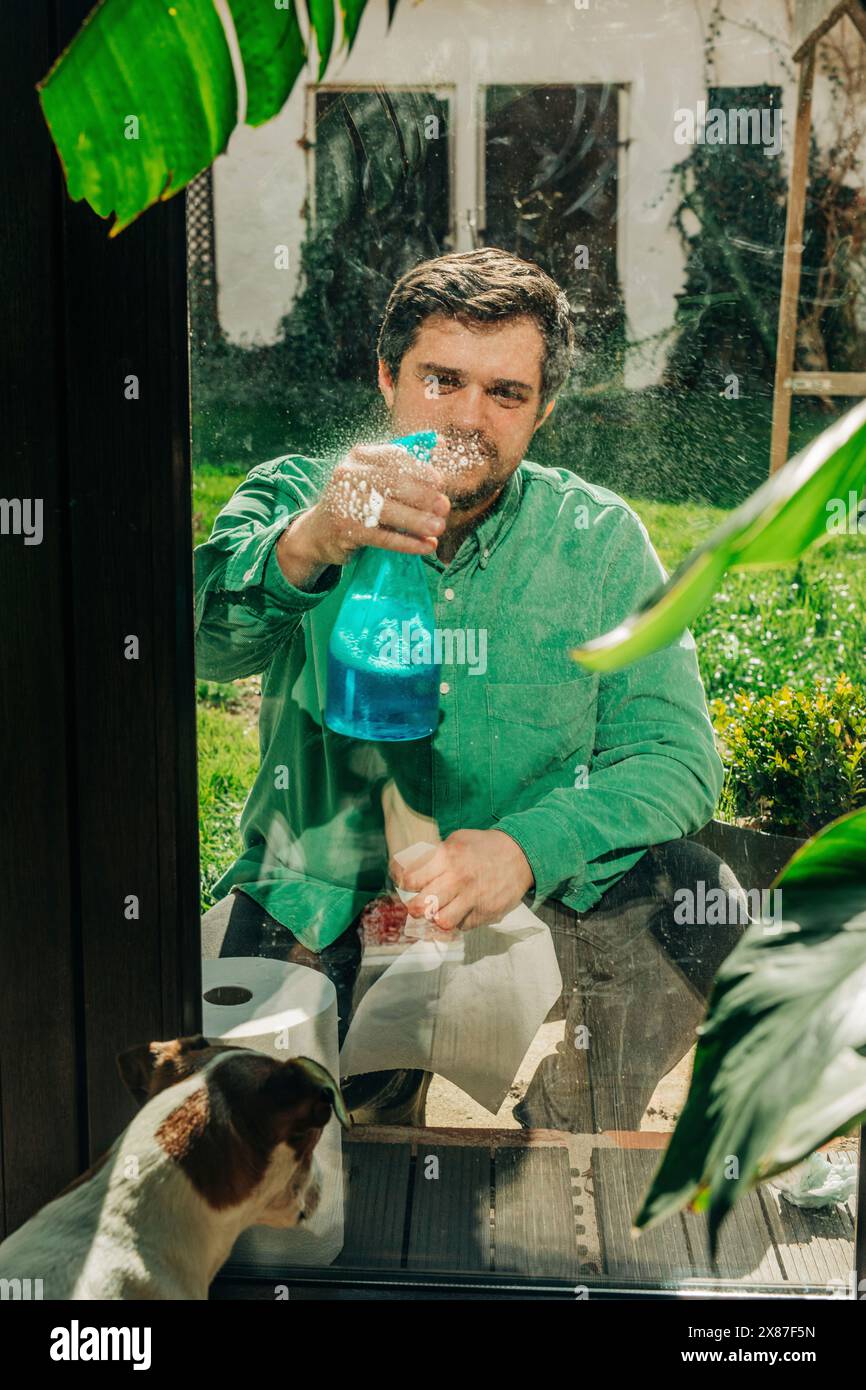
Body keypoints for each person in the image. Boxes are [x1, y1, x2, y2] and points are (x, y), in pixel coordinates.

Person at [196, 247, 745, 1131]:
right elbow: (198, 651)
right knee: (287, 1161)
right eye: (441, 379)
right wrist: (311, 542)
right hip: (329, 887)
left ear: (545, 409)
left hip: (530, 894)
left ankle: (574, 1112)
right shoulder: (302, 496)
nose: (466, 418)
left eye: (505, 393)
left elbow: (677, 758)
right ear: (387, 376)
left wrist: (525, 848)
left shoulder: (597, 540)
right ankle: (380, 1092)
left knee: (704, 904)